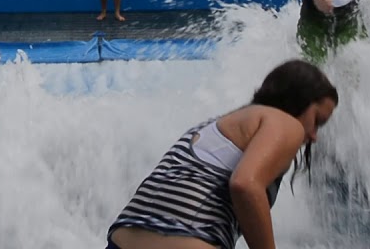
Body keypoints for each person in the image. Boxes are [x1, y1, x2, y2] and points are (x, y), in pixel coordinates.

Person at [105, 59, 339, 249]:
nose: (313, 135)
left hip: (120, 239)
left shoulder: (220, 125)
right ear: (297, 100)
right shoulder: (285, 123)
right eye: (317, 121)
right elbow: (245, 185)